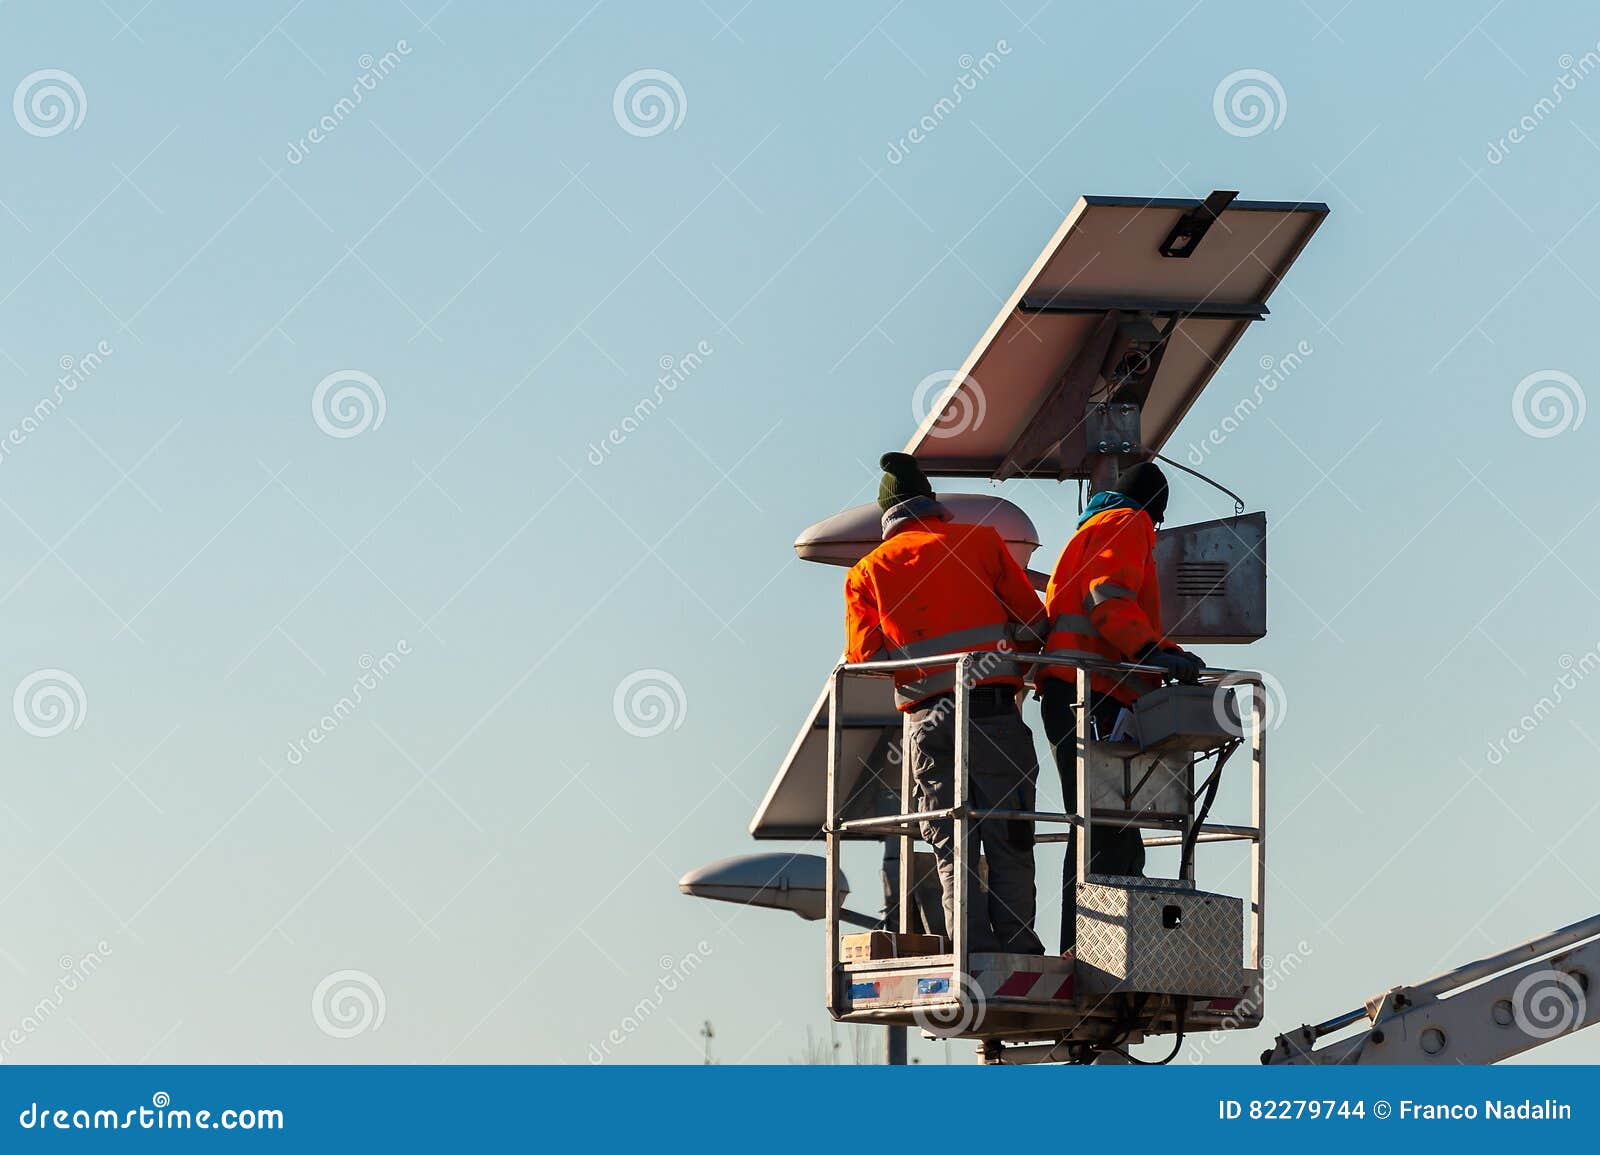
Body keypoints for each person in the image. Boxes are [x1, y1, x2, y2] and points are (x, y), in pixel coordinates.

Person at [844, 453, 1048, 956]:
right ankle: (1019, 950)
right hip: (993, 711)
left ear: (887, 517)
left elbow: (865, 660)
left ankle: (968, 951)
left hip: (928, 720)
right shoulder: (982, 542)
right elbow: (1034, 624)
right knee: (1010, 836)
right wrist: (1008, 656)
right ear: (931, 502)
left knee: (952, 844)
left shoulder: (866, 573)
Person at [1036, 461, 1204, 952]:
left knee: (1101, 826)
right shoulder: (1130, 524)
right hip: (1094, 695)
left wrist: (1156, 653)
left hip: (1074, 693)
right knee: (1107, 827)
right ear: (1155, 511)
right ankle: (1094, 949)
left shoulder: (1088, 531)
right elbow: (1107, 597)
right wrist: (1153, 652)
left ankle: (1090, 944)